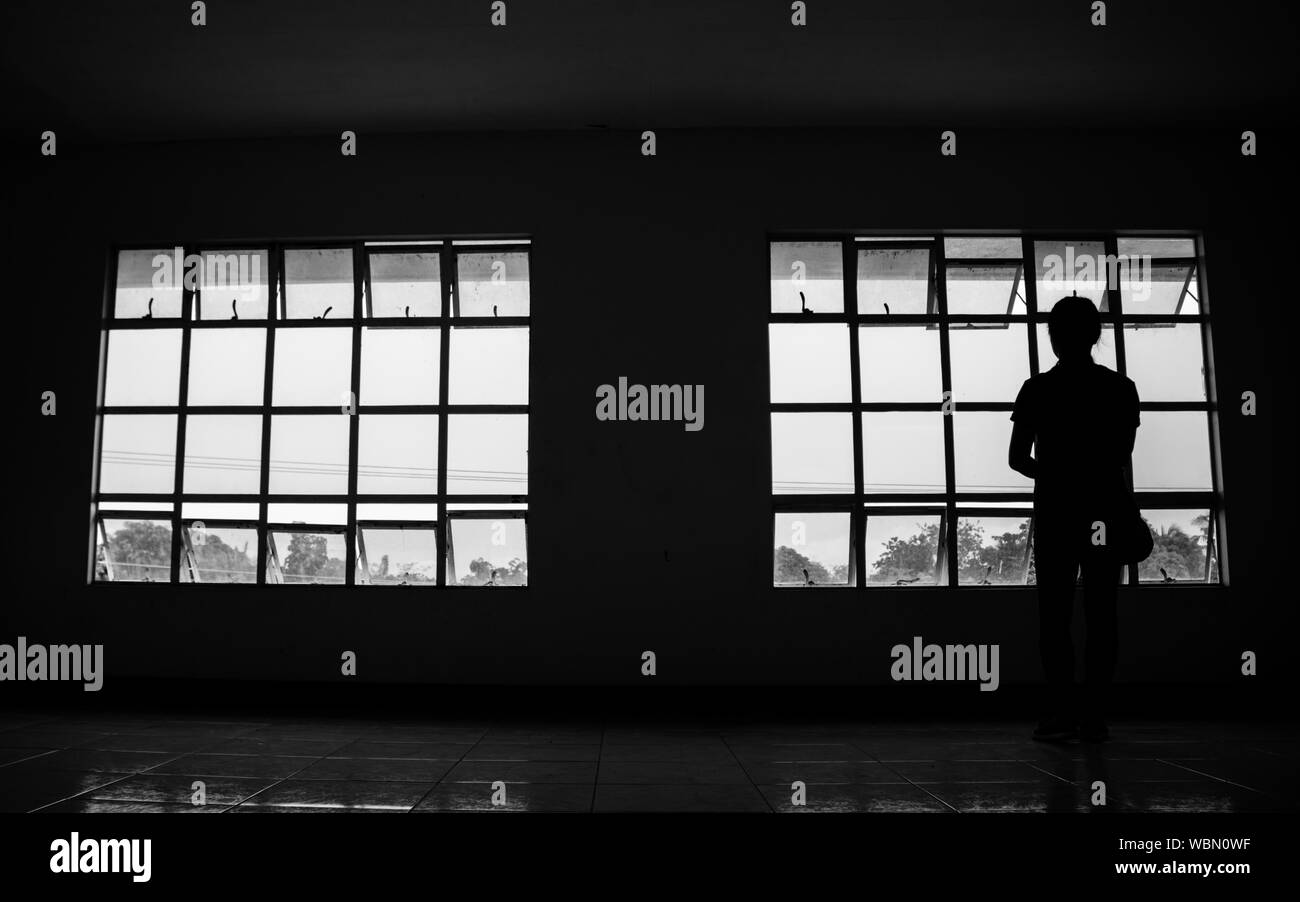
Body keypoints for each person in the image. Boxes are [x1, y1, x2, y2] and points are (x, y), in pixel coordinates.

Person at [1008, 295, 1140, 743]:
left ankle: (1060, 712)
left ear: (1052, 337)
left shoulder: (1037, 389)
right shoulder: (1120, 389)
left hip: (1056, 514)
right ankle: (1094, 715)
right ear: (1096, 335)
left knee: (1055, 618)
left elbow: (1016, 459)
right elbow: (1120, 455)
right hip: (1103, 510)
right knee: (1103, 615)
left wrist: (1056, 472)